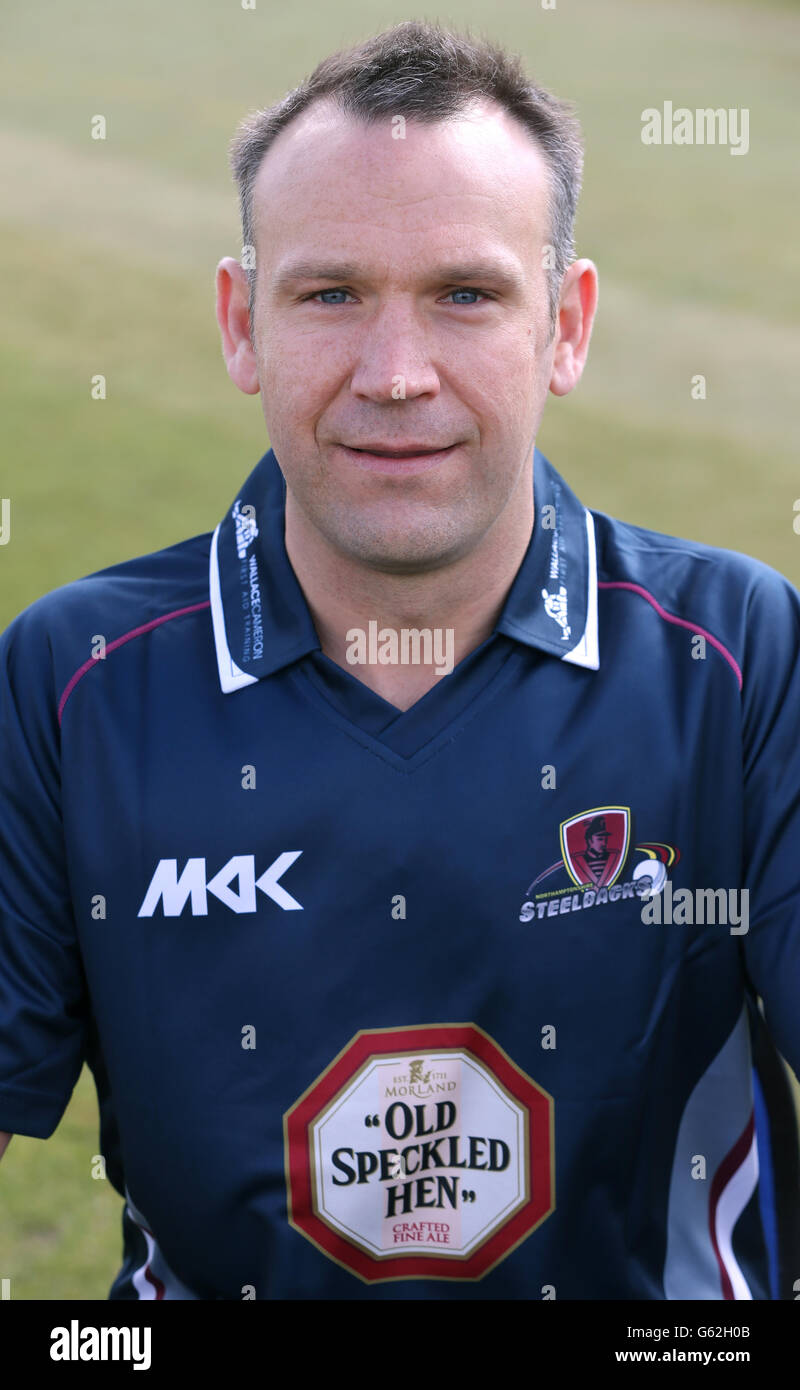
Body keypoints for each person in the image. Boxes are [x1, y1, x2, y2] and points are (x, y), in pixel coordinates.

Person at [1, 20, 799, 1301]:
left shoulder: (740, 657)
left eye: (465, 296)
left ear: (567, 325)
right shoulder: (71, 682)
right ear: (238, 321)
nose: (393, 375)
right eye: (329, 294)